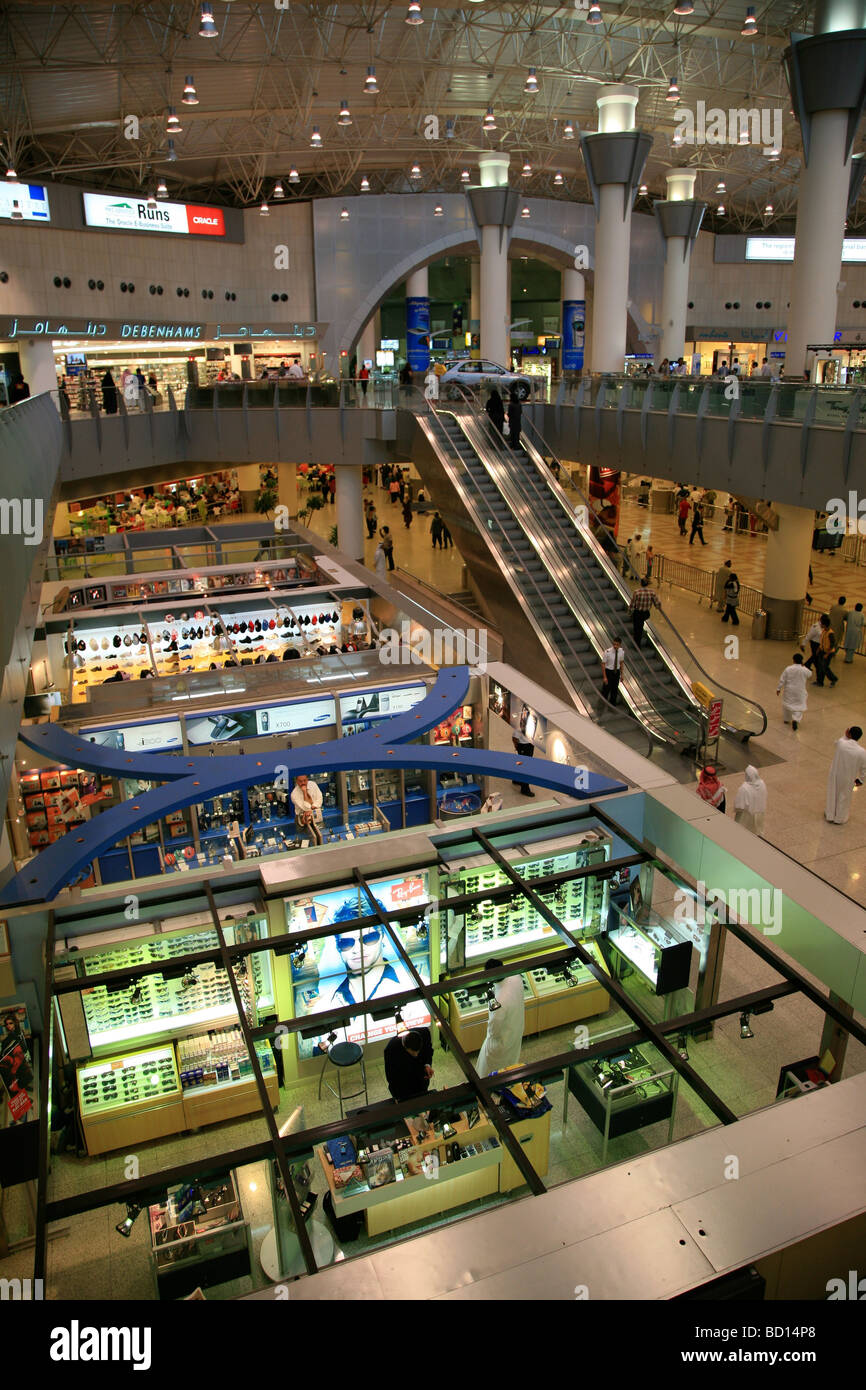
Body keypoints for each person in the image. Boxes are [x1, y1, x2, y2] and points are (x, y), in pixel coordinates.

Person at [476, 960, 525, 1075]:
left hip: (499, 1045)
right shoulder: (516, 977)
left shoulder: (499, 1002)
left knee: (489, 1074)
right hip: (515, 1032)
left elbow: (494, 1031)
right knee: (511, 1067)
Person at [826, 726, 866, 824]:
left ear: (849, 734)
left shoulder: (841, 744)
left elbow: (837, 742)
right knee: (844, 796)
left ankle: (830, 814)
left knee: (832, 793)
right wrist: (861, 780)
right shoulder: (862, 752)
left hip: (835, 774)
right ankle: (840, 818)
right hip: (848, 777)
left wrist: (845, 736)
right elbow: (864, 768)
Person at [384, 1027, 434, 1103]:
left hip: (421, 1080)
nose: (416, 1055)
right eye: (413, 1053)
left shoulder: (425, 1033)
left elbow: (428, 1051)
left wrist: (427, 1065)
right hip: (402, 1085)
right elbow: (391, 1078)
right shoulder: (391, 1050)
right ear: (405, 1046)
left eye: (418, 1052)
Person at [776, 652, 813, 731]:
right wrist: (804, 666)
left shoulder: (788, 669)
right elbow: (810, 674)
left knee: (787, 704)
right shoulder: (804, 670)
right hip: (800, 691)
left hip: (789, 690)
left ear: (793, 660)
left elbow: (782, 679)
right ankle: (795, 719)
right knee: (798, 706)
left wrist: (778, 689)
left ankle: (786, 719)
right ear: (802, 661)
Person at [290, 773, 323, 844]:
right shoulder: (294, 794)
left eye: (304, 780)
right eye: (300, 781)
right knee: (305, 841)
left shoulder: (313, 785)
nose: (303, 783)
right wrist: (305, 792)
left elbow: (320, 799)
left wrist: (313, 807)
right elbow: (306, 807)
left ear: (307, 779)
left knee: (321, 835)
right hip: (302, 820)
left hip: (315, 814)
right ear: (296, 781)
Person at [734, 766, 767, 835]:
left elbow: (739, 806)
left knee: (743, 832)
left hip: (746, 815)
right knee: (757, 831)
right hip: (759, 813)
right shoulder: (762, 784)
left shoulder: (744, 788)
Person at [628, 578, 662, 647]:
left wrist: (629, 612)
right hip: (646, 613)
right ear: (648, 584)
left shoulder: (637, 592)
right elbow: (657, 603)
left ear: (641, 584)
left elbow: (632, 604)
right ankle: (638, 639)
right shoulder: (652, 592)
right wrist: (658, 607)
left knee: (637, 628)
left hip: (638, 613)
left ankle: (637, 644)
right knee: (640, 626)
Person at [815, 614, 839, 687]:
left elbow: (832, 645)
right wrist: (819, 648)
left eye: (821, 623)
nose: (820, 624)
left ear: (825, 625)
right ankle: (819, 681)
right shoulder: (824, 631)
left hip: (828, 652)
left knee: (825, 667)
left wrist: (827, 654)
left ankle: (833, 679)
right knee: (820, 667)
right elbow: (823, 641)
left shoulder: (830, 633)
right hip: (822, 651)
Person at [600, 637, 624, 706]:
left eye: (617, 645)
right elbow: (603, 664)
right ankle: (603, 702)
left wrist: (622, 675)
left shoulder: (621, 651)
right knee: (606, 688)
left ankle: (612, 703)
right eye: (614, 644)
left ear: (620, 645)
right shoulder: (607, 652)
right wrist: (604, 677)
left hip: (616, 672)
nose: (615, 646)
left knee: (615, 688)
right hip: (609, 672)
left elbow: (621, 663)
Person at [511, 732, 535, 797]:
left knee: (521, 765)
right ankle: (525, 789)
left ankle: (517, 779)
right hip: (524, 747)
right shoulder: (521, 725)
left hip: (528, 744)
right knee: (525, 767)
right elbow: (514, 737)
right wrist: (517, 747)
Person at [507, 385, 523, 449]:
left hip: (512, 421)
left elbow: (509, 414)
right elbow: (521, 412)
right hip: (518, 421)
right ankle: (517, 445)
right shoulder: (519, 404)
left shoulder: (511, 405)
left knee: (512, 434)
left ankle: (513, 445)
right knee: (517, 434)